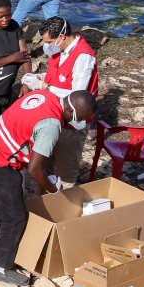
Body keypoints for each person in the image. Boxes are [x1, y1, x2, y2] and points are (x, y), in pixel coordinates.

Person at [0, 90, 97, 285]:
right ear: (70, 110)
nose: (80, 123)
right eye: (81, 118)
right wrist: (51, 188)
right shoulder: (52, 125)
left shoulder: (45, 95)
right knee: (16, 215)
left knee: (5, 200)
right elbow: (34, 169)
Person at [28, 17, 98, 187]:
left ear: (62, 37)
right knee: (46, 162)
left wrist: (45, 87)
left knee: (66, 169)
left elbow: (76, 94)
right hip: (54, 115)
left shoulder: (83, 57)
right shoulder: (59, 51)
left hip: (72, 123)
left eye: (50, 42)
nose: (47, 46)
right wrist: (39, 77)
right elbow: (58, 76)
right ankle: (47, 194)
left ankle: (65, 200)